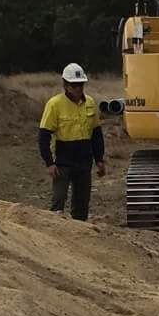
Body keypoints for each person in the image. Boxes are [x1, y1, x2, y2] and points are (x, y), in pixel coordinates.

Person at [38, 62, 106, 221]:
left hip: (84, 161)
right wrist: (49, 162)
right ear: (65, 84)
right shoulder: (54, 105)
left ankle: (79, 234)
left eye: (80, 85)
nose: (78, 88)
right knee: (59, 200)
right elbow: (44, 136)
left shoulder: (90, 103)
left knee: (82, 203)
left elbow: (96, 134)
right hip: (63, 161)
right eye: (74, 85)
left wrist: (100, 159)